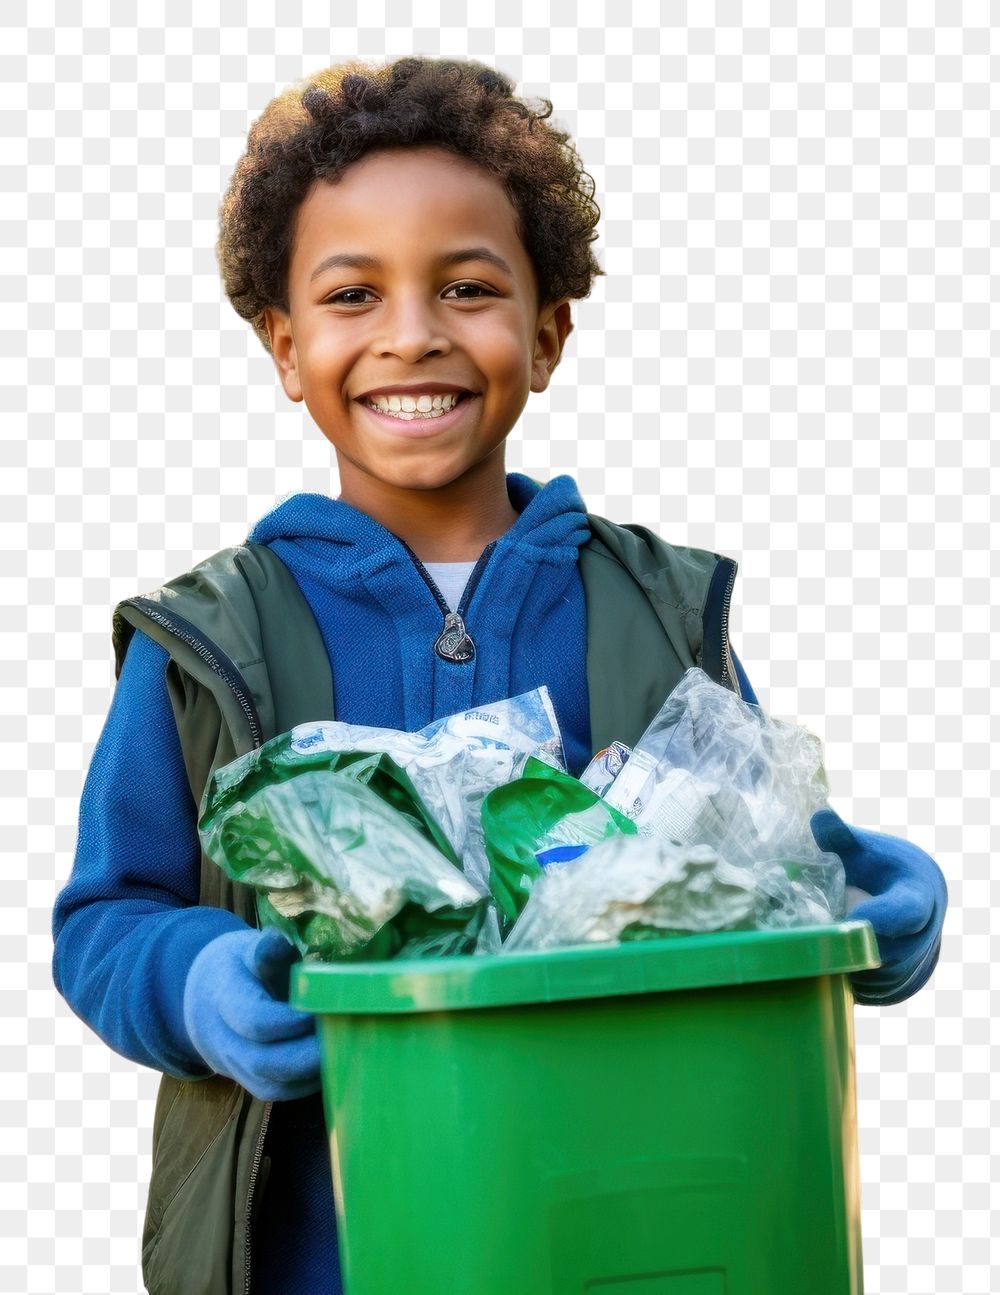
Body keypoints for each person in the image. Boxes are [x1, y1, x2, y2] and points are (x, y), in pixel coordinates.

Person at [51, 56, 947, 1295]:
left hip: (640, 1221)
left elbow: (759, 857)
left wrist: (868, 913)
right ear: (285, 343)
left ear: (546, 330)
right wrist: (197, 984)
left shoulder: (653, 608)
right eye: (352, 293)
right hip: (326, 1251)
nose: (411, 332)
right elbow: (104, 917)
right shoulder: (210, 638)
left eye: (467, 287)